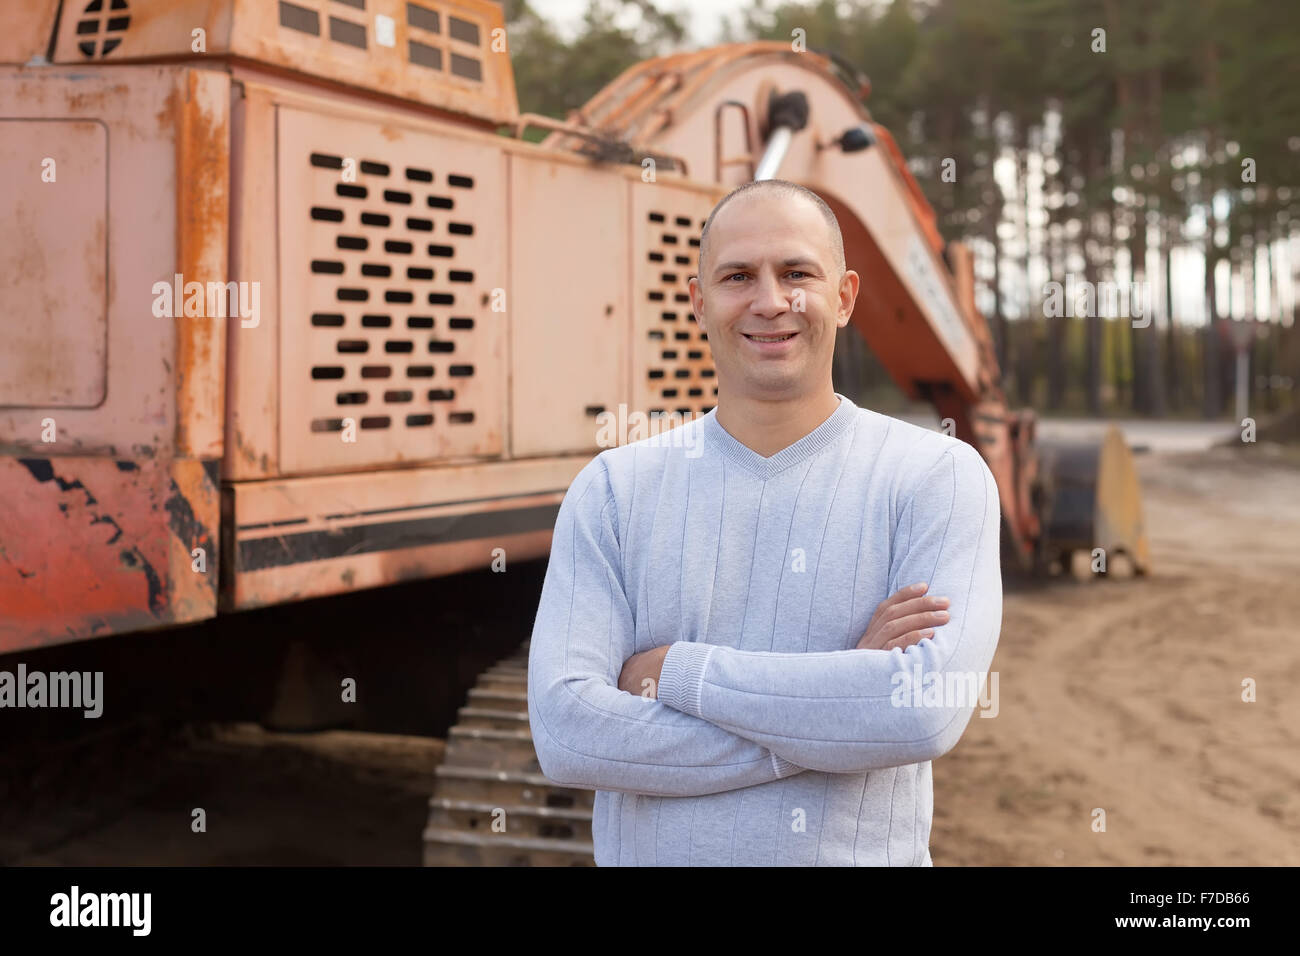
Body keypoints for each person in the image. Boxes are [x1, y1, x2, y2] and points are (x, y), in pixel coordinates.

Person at [527, 179, 1003, 865]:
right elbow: (569, 735)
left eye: (797, 272)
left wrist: (680, 674)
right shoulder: (613, 492)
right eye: (738, 276)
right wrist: (838, 713)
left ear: (843, 297)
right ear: (699, 301)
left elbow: (924, 709)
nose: (771, 300)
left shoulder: (938, 478)